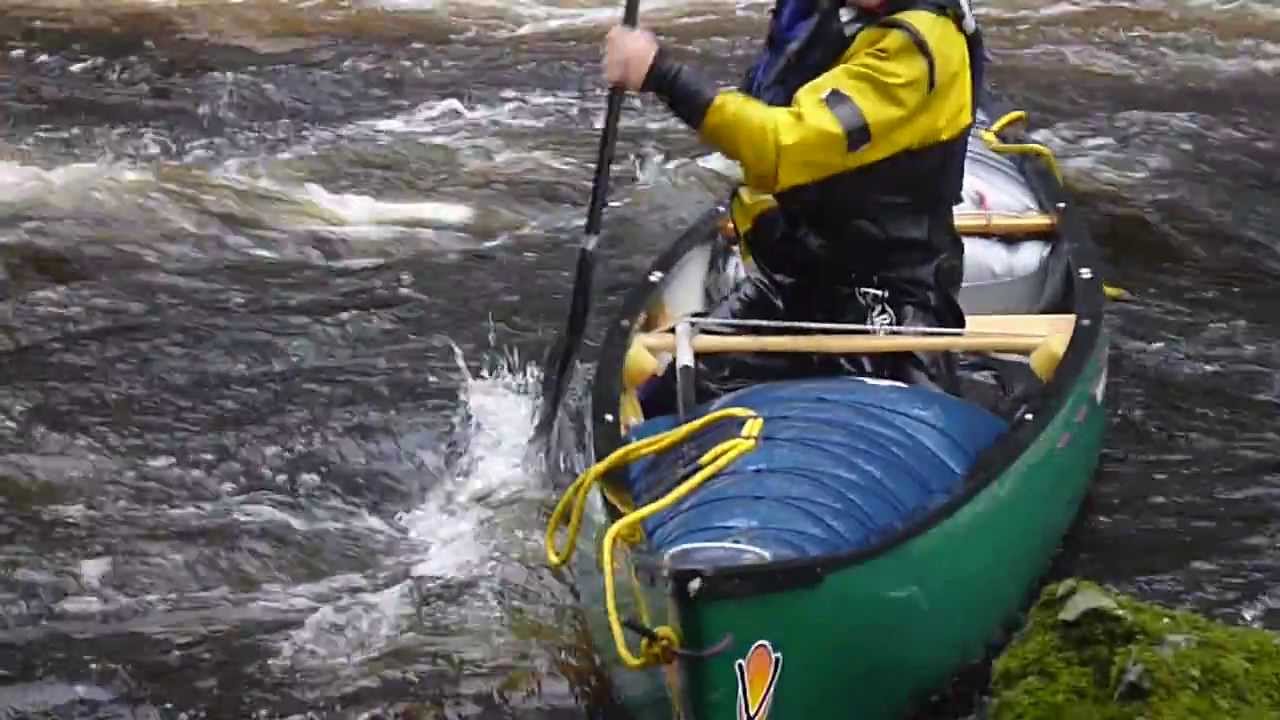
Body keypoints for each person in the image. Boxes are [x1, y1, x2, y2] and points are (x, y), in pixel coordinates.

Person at [603, 0, 987, 418]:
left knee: (881, 424)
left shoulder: (917, 49)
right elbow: (765, 121)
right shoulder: (831, 19)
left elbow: (781, 143)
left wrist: (662, 74)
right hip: (802, 280)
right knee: (664, 402)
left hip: (888, 298)